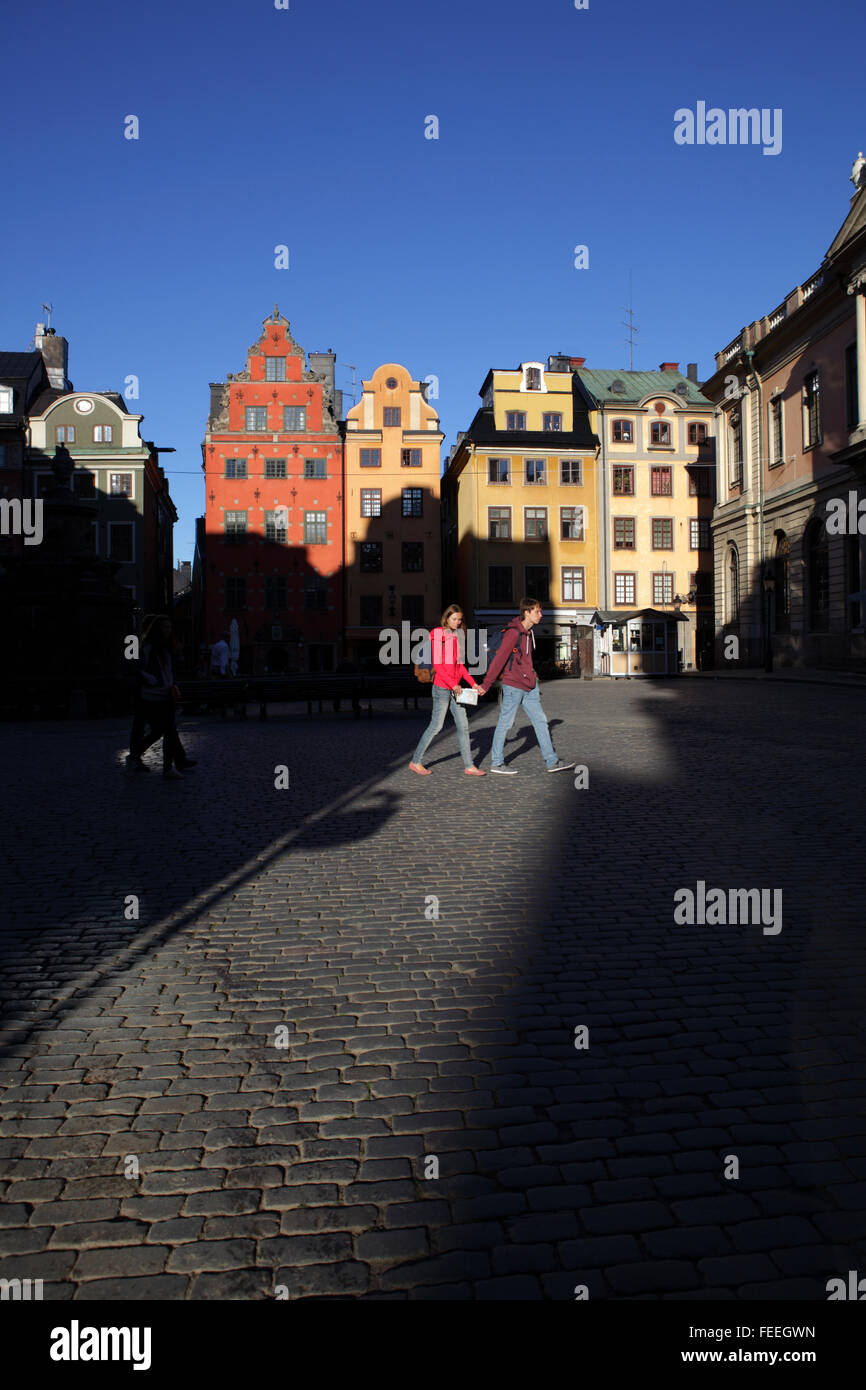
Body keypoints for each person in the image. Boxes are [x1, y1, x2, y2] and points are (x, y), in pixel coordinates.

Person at [477, 597, 575, 774]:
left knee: (541, 721)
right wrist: (486, 684)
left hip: (529, 686)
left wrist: (532, 675)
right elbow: (499, 659)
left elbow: (525, 659)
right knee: (506, 724)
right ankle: (497, 763)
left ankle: (552, 761)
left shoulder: (528, 633)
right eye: (537, 611)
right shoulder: (513, 633)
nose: (540, 614)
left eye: (540, 611)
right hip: (513, 686)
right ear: (526, 612)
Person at [409, 605, 485, 777]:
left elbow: (460, 666)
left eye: (459, 619)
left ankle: (469, 766)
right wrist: (452, 684)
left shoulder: (458, 635)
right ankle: (415, 761)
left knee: (463, 726)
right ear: (446, 618)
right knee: (436, 726)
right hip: (442, 688)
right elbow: (438, 665)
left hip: (456, 689)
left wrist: (473, 684)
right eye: (454, 619)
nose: (457, 622)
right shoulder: (438, 634)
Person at [130, 615, 196, 779]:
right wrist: (151, 679)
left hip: (166, 694)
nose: (168, 630)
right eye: (165, 627)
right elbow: (136, 667)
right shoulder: (147, 647)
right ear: (157, 629)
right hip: (152, 696)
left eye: (169, 627)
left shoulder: (167, 647)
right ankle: (166, 766)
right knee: (164, 730)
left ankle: (166, 766)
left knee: (167, 731)